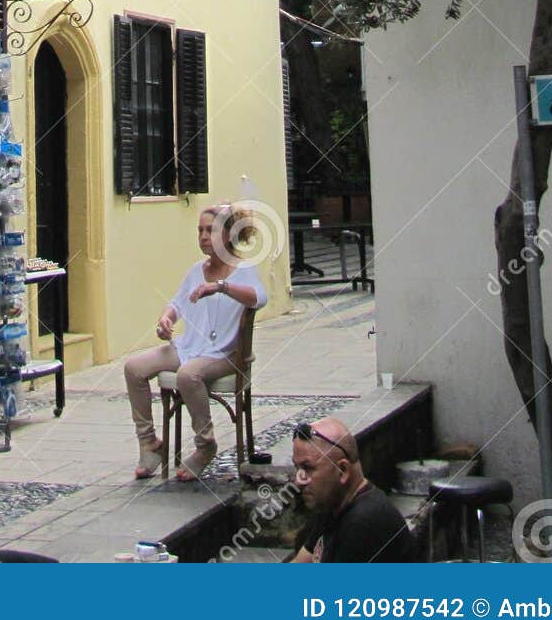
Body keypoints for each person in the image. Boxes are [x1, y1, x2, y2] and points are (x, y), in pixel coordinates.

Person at [123, 203, 266, 482]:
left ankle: (205, 445)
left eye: (209, 230)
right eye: (199, 230)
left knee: (189, 375)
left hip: (225, 354)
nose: (202, 235)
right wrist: (165, 320)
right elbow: (175, 305)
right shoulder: (195, 271)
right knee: (134, 368)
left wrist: (221, 287)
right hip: (189, 347)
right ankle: (150, 443)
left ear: (227, 234)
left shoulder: (244, 270)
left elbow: (257, 297)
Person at [288, 419, 416, 562]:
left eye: (308, 468)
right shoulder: (331, 506)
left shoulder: (365, 523)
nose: (298, 481)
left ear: (342, 470)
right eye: (297, 468)